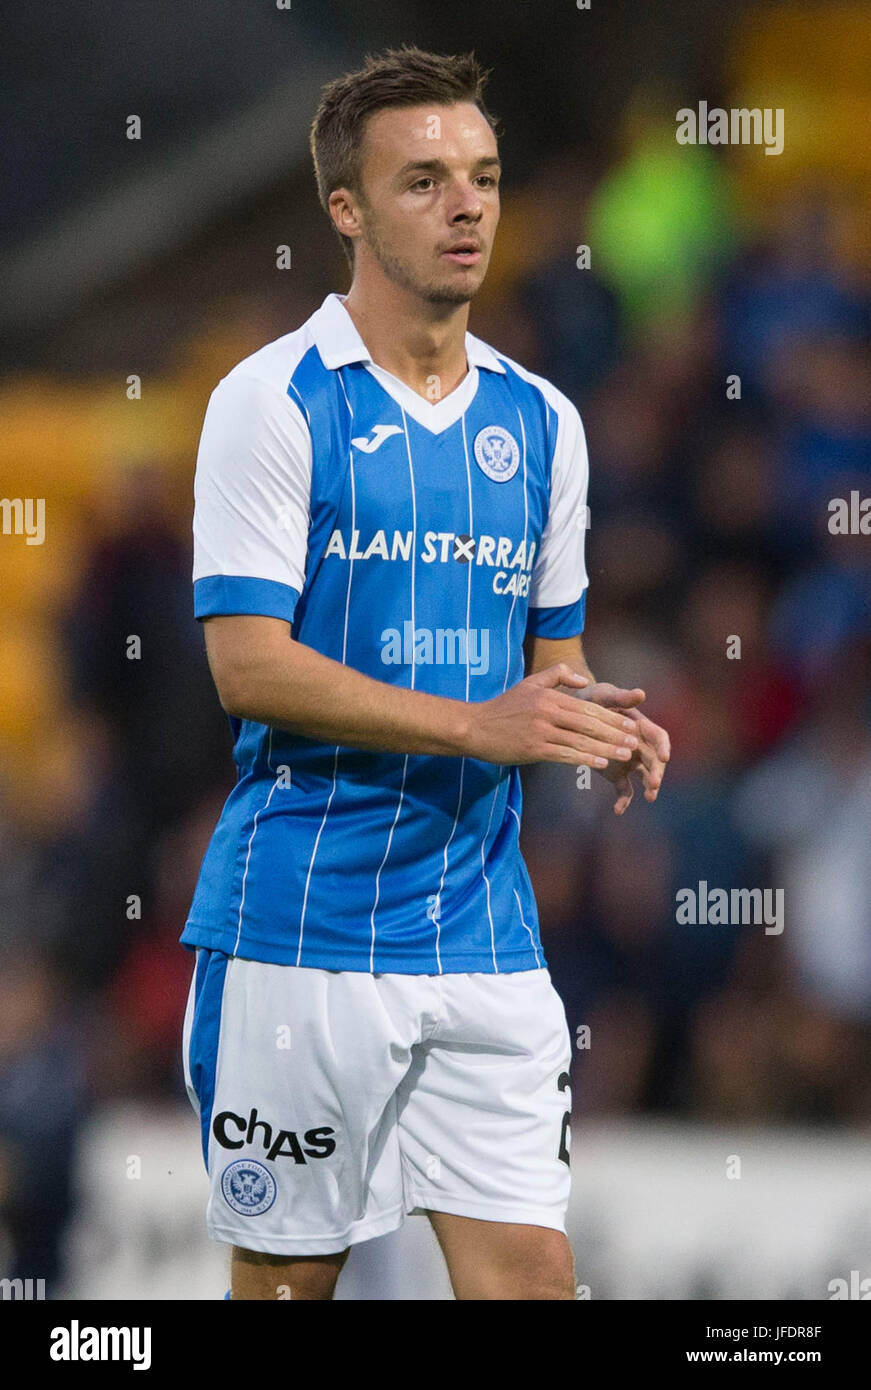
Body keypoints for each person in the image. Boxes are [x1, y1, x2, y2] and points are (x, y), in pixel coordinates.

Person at [181, 45, 670, 1301]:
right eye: (422, 183)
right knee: (288, 1283)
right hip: (304, 927)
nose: (466, 208)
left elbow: (546, 664)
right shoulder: (271, 402)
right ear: (345, 209)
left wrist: (592, 715)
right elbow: (245, 666)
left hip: (480, 931)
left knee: (528, 1279)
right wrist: (478, 723)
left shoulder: (543, 422)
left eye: (485, 178)